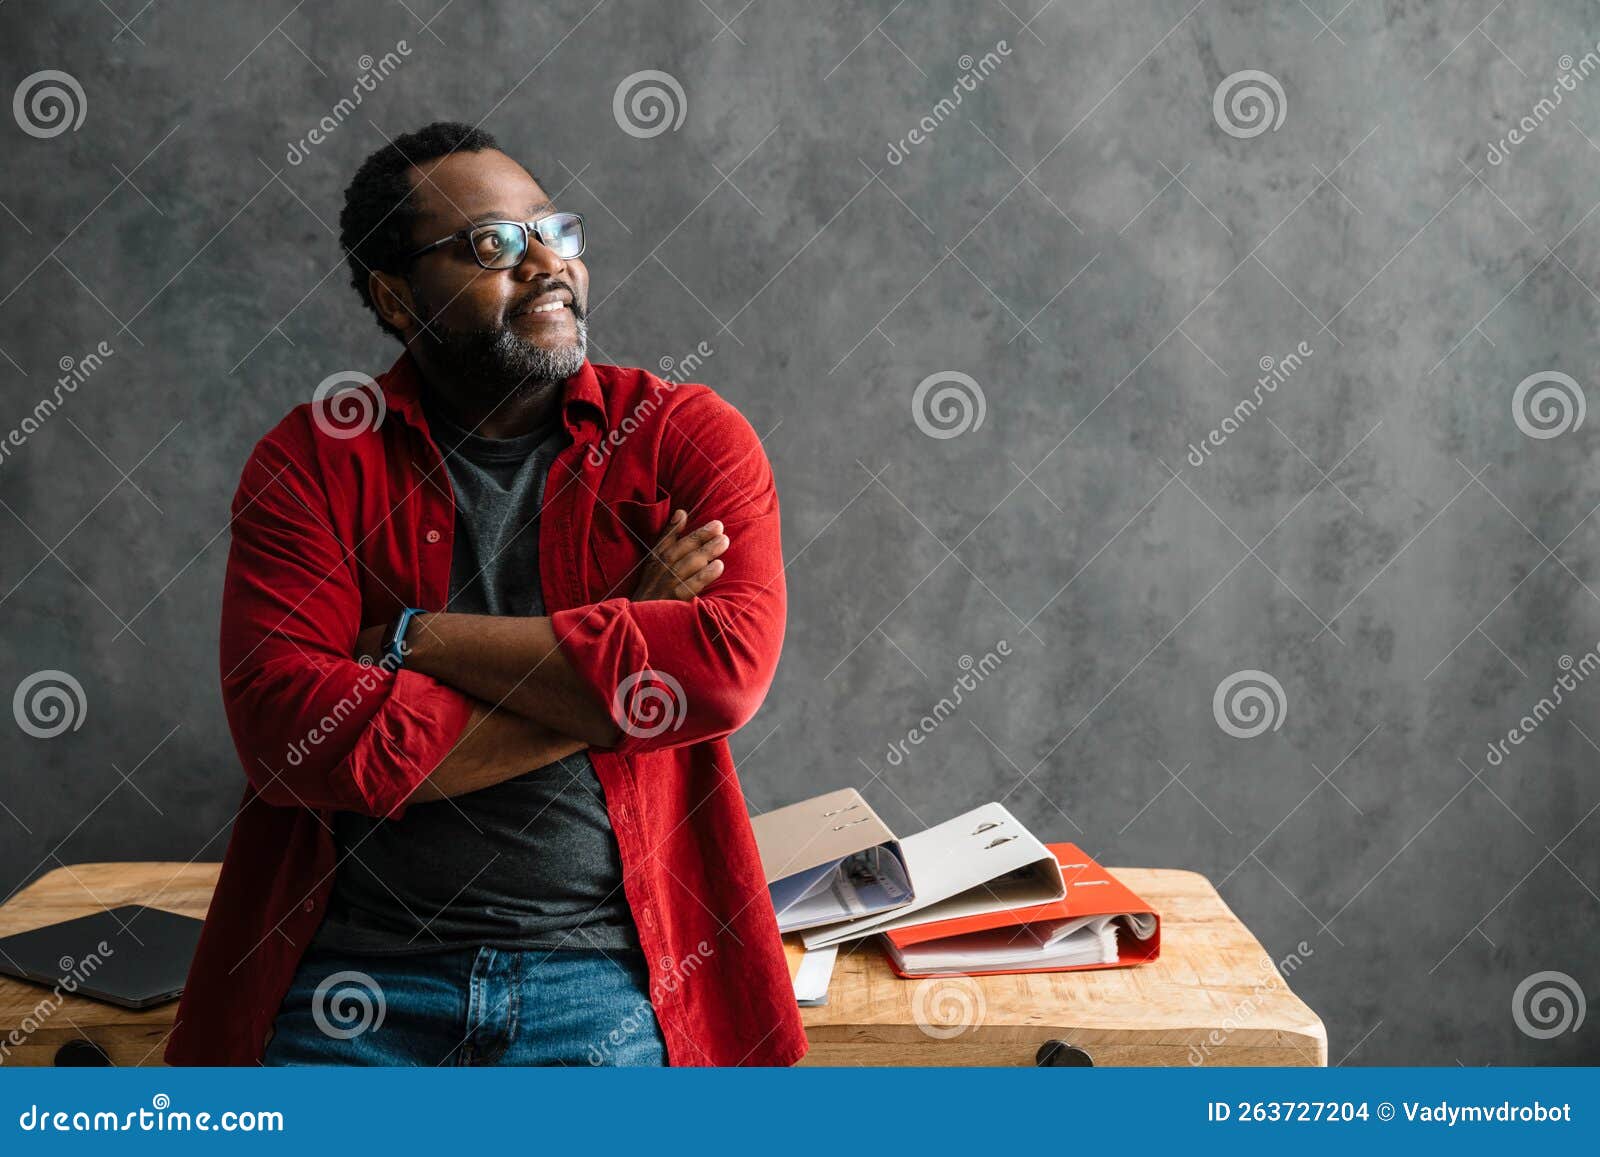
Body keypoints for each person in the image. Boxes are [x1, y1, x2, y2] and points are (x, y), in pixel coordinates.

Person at [164, 121, 805, 1067]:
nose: (547, 264)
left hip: (600, 977)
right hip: (355, 984)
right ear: (394, 296)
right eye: (494, 246)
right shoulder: (311, 462)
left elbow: (719, 674)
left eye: (555, 231)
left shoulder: (682, 438)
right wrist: (617, 659)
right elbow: (287, 734)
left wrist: (414, 640)